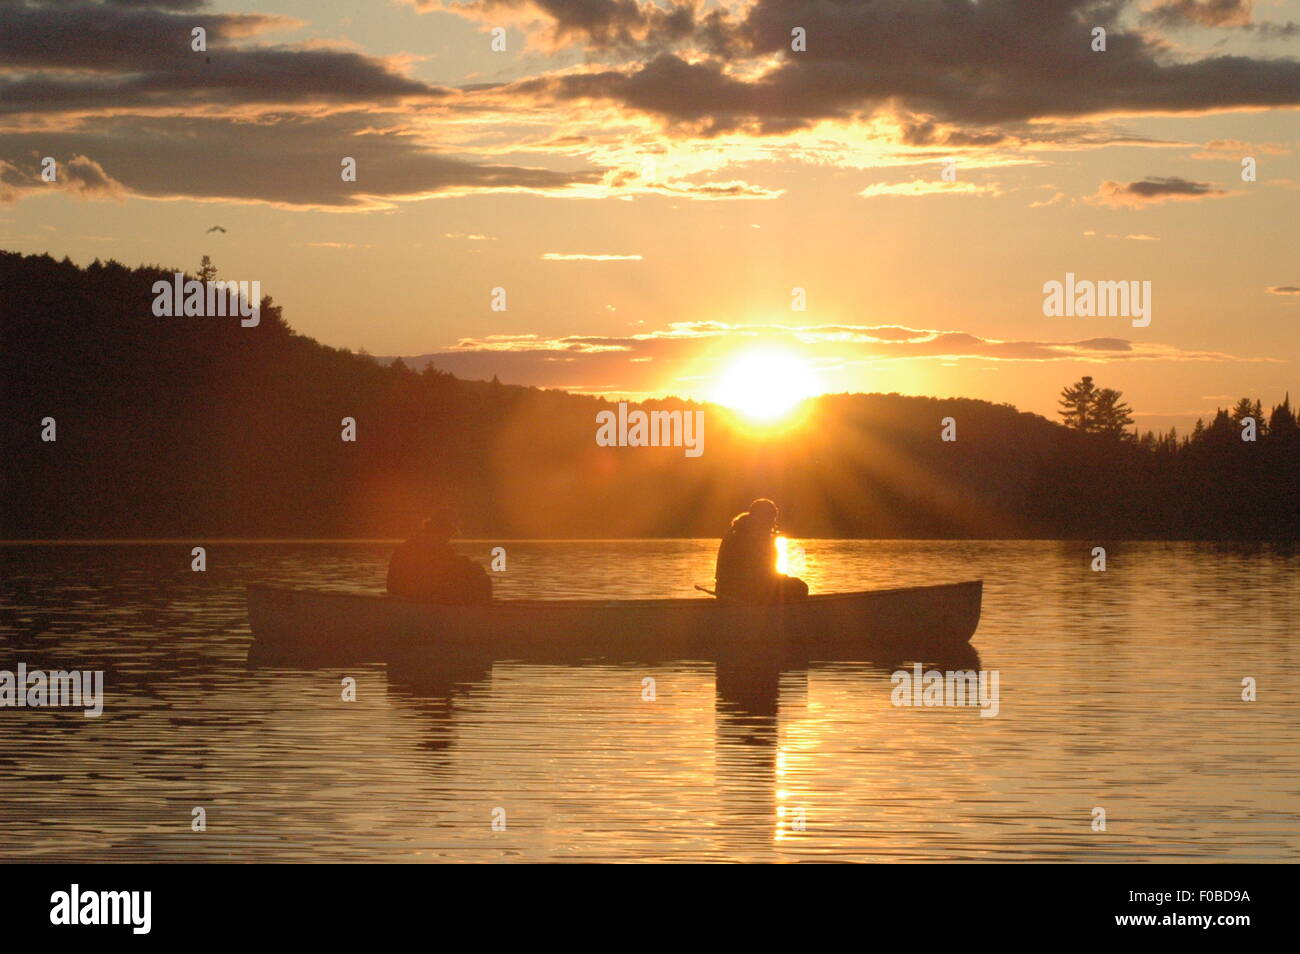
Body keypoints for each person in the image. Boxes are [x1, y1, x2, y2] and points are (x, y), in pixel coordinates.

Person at [714, 498, 808, 604]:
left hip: (725, 590)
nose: (773, 523)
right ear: (761, 518)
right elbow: (763, 574)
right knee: (800, 587)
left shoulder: (735, 532)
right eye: (771, 518)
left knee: (792, 585)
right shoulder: (754, 538)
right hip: (745, 593)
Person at [387, 509, 492, 604]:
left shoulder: (428, 542)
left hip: (411, 590)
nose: (450, 537)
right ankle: (480, 610)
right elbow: (443, 568)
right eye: (449, 533)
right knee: (479, 578)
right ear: (440, 530)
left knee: (475, 574)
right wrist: (470, 567)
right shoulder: (426, 544)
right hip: (411, 593)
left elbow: (450, 564)